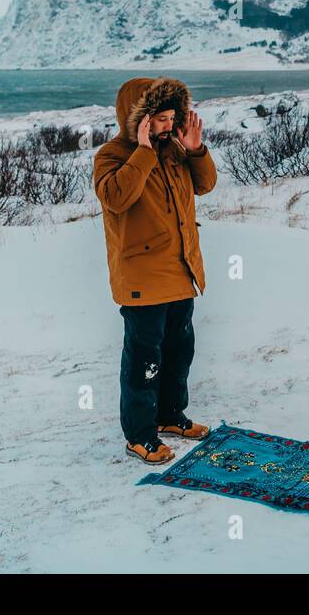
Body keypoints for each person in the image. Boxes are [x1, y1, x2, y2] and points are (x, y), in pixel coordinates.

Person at [93, 77, 217, 464]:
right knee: (145, 360)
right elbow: (116, 197)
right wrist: (143, 152)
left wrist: (196, 151)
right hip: (142, 276)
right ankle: (140, 435)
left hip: (180, 269)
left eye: (171, 118)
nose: (168, 126)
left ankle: (170, 416)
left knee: (180, 351)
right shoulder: (112, 156)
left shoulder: (176, 151)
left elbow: (206, 185)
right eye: (160, 119)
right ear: (139, 120)